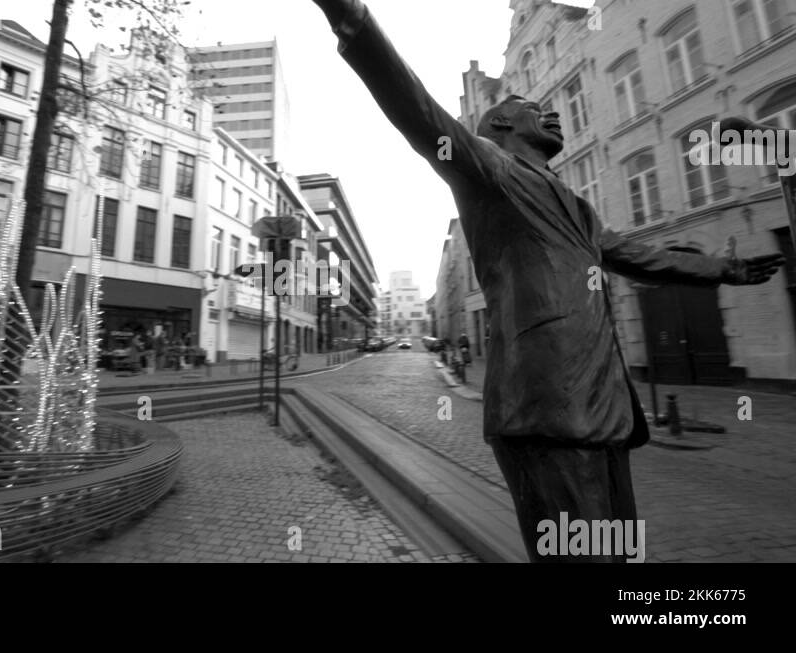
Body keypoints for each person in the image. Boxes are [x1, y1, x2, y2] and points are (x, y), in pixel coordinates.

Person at [310, 0, 786, 562]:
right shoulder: (490, 172)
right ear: (502, 125)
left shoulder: (578, 208)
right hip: (543, 404)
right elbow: (417, 110)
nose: (554, 112)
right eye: (536, 108)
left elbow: (638, 256)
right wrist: (353, 21)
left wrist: (723, 269)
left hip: (604, 406)